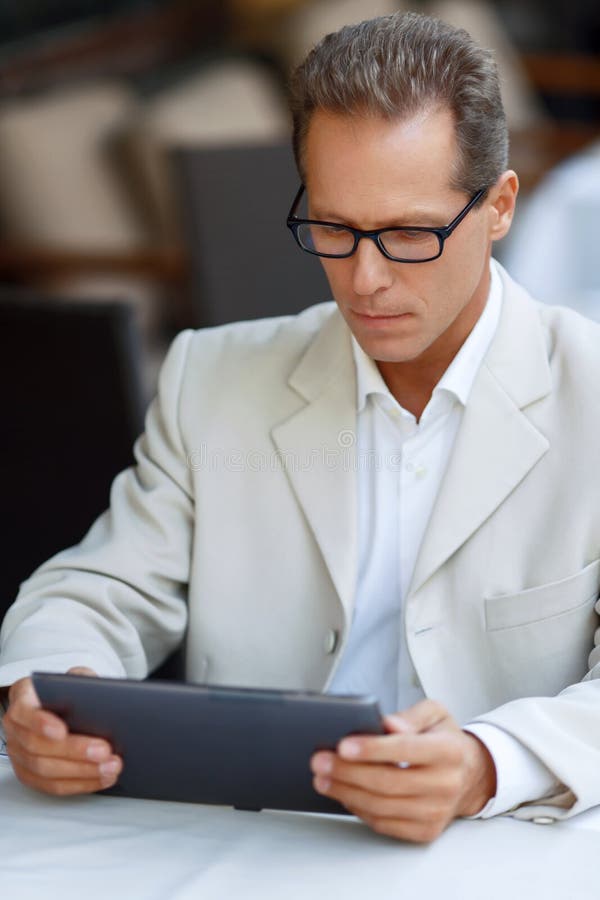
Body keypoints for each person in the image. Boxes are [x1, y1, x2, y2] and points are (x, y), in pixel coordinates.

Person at [1, 11, 600, 844]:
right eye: (332, 227)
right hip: (248, 847)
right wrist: (47, 693)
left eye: (408, 234)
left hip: (512, 848)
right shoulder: (210, 378)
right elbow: (97, 591)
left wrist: (485, 763)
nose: (365, 279)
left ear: (499, 207)